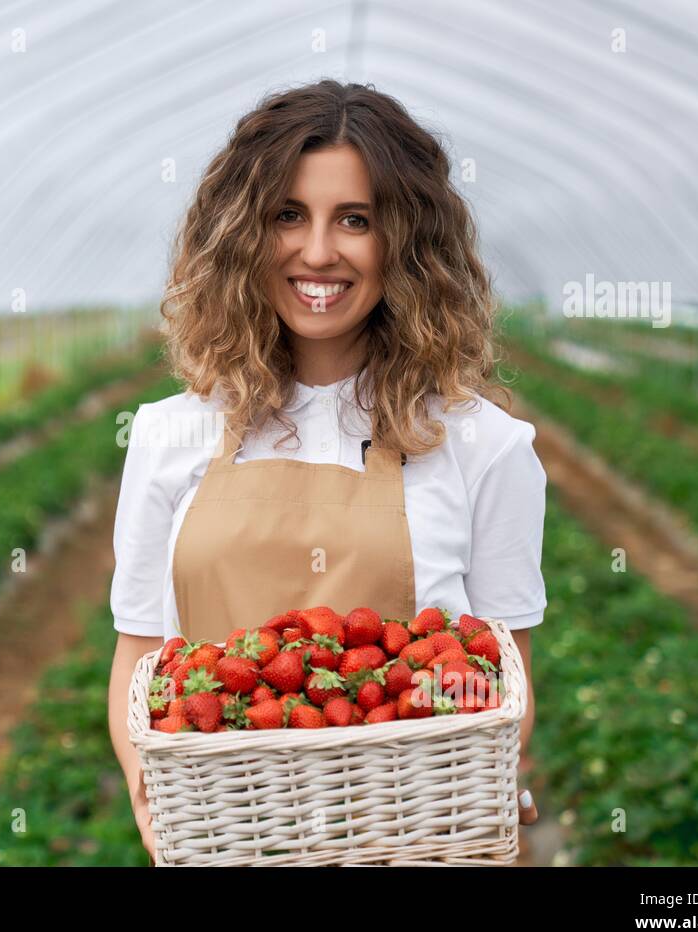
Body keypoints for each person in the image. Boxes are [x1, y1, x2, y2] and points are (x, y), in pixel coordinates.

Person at [106, 79, 545, 864]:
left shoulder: (486, 446)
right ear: (242, 236)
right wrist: (157, 811)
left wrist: (481, 772)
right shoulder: (169, 434)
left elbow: (502, 682)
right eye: (287, 216)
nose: (317, 251)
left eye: (356, 220)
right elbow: (141, 656)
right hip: (227, 839)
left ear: (407, 243)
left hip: (414, 843)